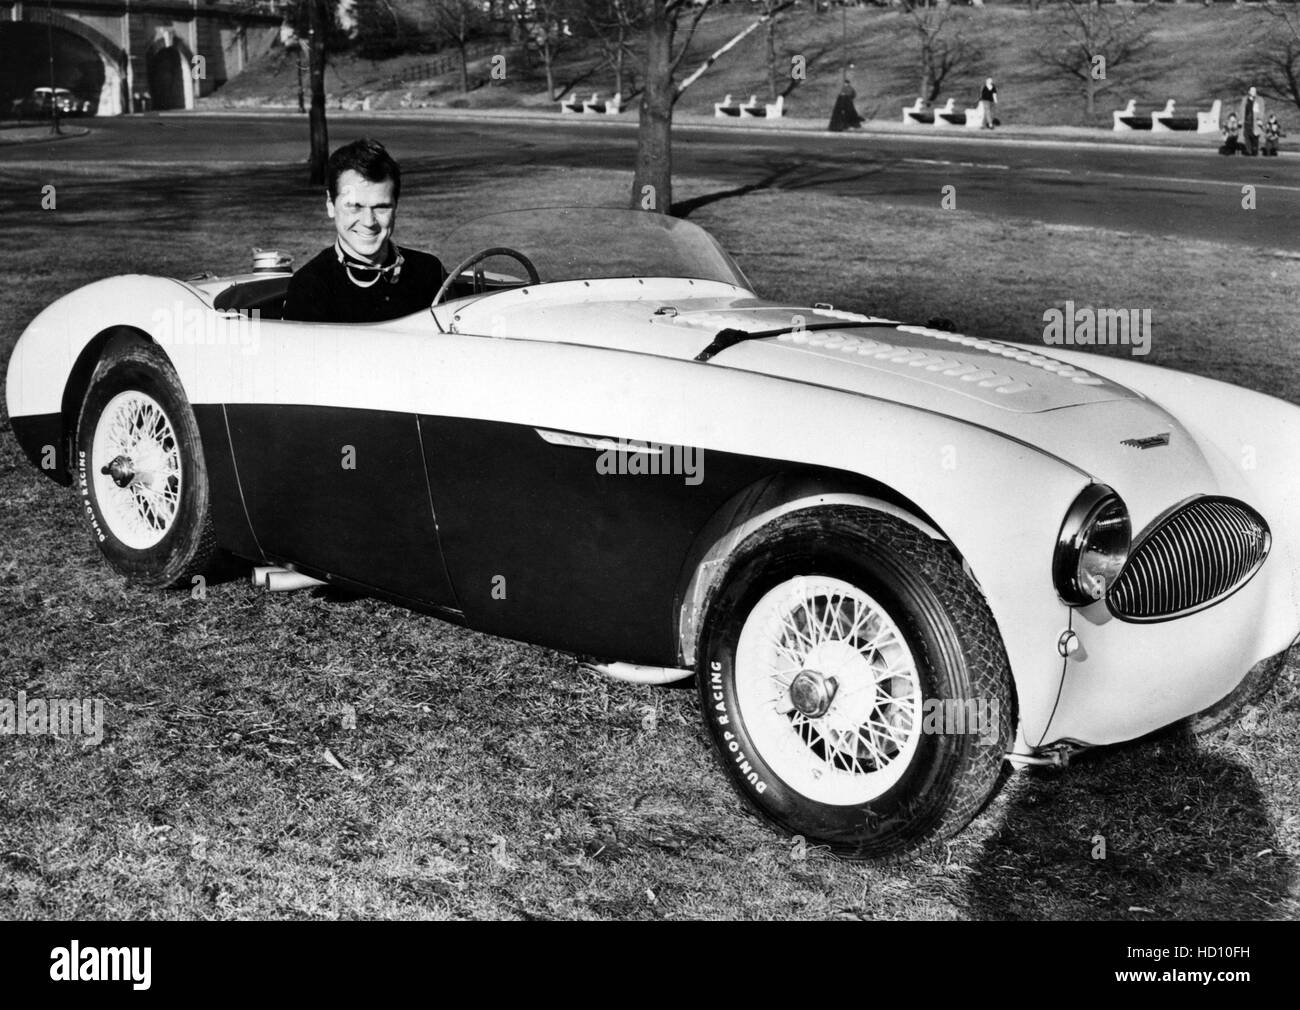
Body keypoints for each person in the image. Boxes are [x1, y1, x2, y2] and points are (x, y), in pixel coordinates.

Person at [283, 138, 445, 323]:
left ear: (396, 206)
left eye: (381, 207)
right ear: (330, 204)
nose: (369, 222)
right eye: (354, 207)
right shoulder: (310, 286)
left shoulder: (428, 272)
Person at [827, 67, 864, 132]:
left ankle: (849, 124)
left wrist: (848, 98)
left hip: (847, 102)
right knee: (846, 113)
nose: (845, 84)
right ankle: (847, 125)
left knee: (848, 113)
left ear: (847, 83)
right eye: (845, 83)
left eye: (846, 83)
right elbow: (848, 94)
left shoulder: (849, 88)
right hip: (845, 102)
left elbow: (851, 94)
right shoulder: (845, 88)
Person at [1237, 86, 1264, 156]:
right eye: (1252, 91)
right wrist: (1240, 119)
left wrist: (1260, 119)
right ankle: (1248, 151)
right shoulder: (1245, 100)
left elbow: (1261, 110)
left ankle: (1255, 150)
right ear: (1249, 92)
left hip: (1255, 121)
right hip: (1246, 121)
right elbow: (1241, 110)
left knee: (1255, 136)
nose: (1253, 92)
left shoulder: (1259, 100)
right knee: (1246, 136)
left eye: (1254, 91)